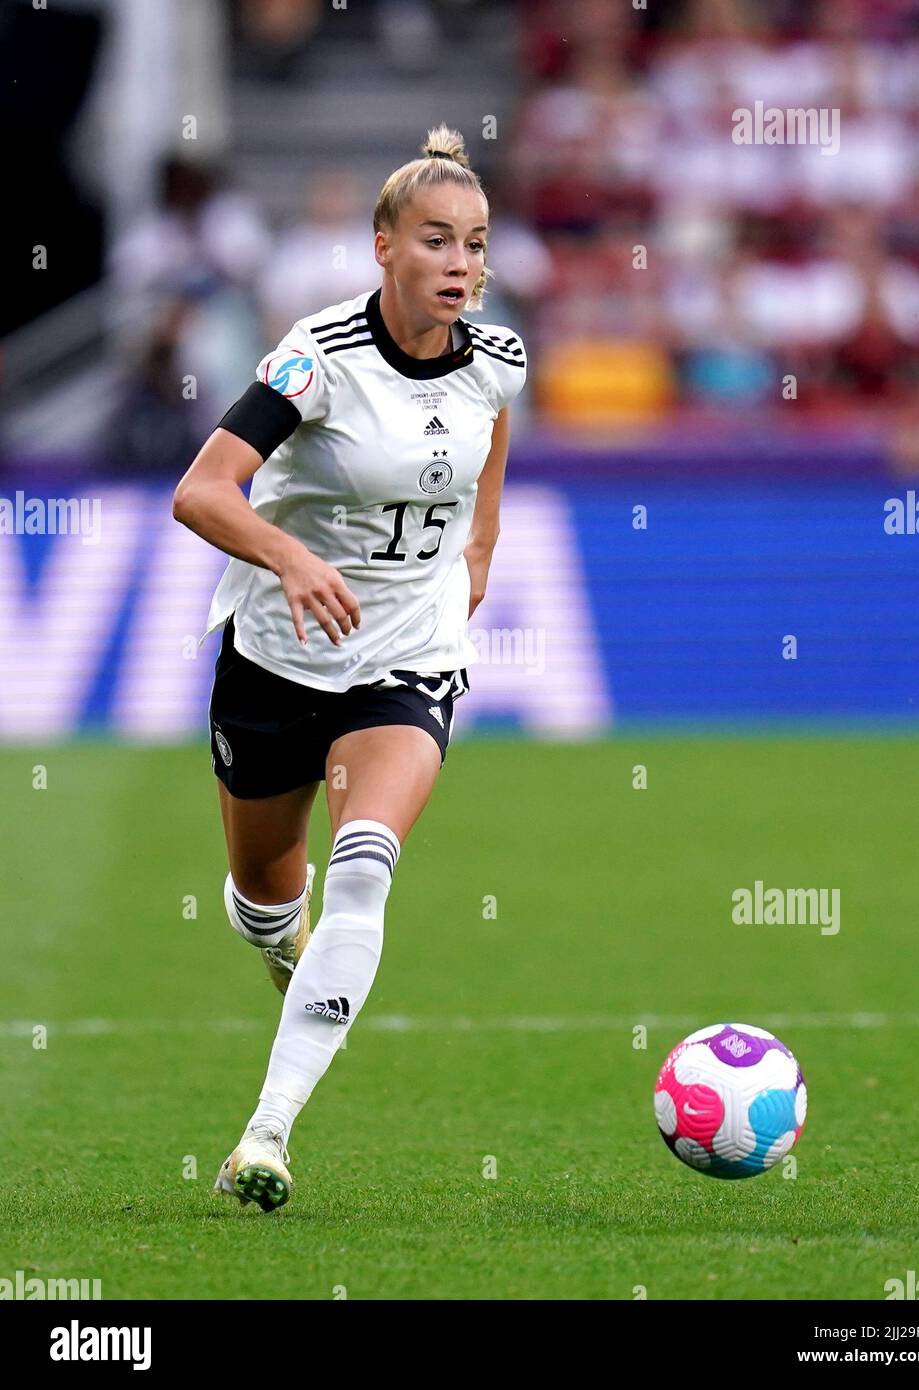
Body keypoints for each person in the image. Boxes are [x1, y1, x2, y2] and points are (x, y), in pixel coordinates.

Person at [172, 124, 527, 1212]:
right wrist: (288, 556)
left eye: (474, 242)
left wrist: (474, 556)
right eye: (435, 241)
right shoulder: (315, 358)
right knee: (265, 901)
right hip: (279, 658)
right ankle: (292, 957)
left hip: (407, 659)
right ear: (383, 249)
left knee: (365, 867)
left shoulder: (499, 360)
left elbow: (487, 450)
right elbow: (202, 491)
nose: (461, 263)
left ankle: (265, 1133)